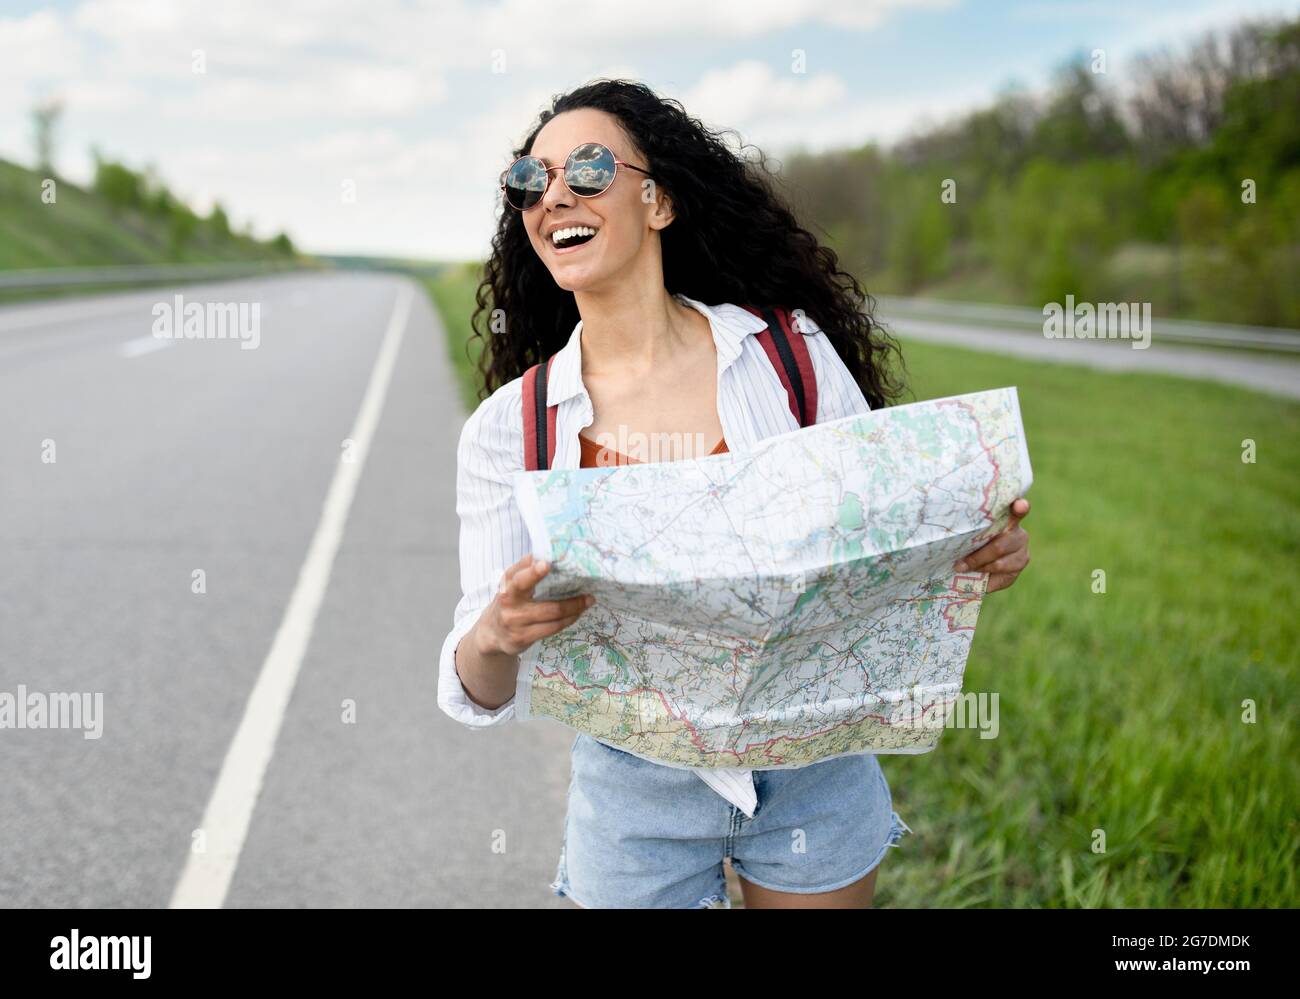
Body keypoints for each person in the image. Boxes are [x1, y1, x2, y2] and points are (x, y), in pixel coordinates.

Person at [438, 79, 1031, 909]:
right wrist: (497, 632)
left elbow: (885, 541)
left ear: (660, 201)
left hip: (813, 765)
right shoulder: (510, 431)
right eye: (530, 181)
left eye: (590, 167)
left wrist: (974, 551)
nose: (555, 195)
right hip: (633, 793)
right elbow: (477, 686)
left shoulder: (789, 358)